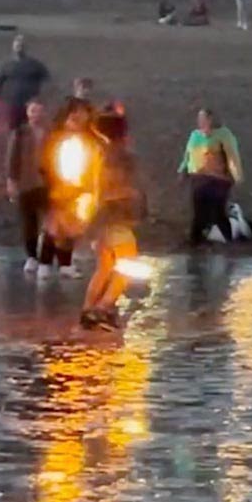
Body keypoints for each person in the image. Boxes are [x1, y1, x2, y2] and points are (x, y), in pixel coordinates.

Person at [80, 104, 143, 332]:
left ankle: (88, 311)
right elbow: (114, 188)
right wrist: (131, 194)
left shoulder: (100, 153)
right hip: (116, 217)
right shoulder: (119, 156)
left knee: (105, 266)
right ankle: (103, 309)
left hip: (102, 217)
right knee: (127, 264)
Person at [42, 98, 100, 281]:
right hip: (60, 187)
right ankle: (45, 262)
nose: (80, 118)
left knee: (71, 226)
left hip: (81, 187)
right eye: (75, 115)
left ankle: (65, 263)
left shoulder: (90, 139)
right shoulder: (57, 138)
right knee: (55, 226)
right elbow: (48, 164)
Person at [178, 108, 243, 247]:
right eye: (199, 119)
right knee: (198, 211)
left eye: (203, 119)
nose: (200, 122)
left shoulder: (223, 135)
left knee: (217, 211)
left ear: (211, 119)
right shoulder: (195, 135)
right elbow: (188, 155)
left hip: (218, 179)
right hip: (198, 178)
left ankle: (228, 240)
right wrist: (183, 170)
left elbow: (232, 156)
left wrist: (237, 175)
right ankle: (195, 240)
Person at [6, 98, 51, 275]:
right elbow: (11, 158)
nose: (36, 115)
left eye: (39, 111)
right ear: (27, 113)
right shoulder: (19, 133)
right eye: (33, 111)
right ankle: (32, 257)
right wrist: (11, 181)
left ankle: (46, 259)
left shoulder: (50, 132)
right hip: (26, 182)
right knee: (29, 222)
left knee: (50, 222)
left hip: (47, 183)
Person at [0, 35, 49, 128]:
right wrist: (1, 100)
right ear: (13, 47)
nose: (19, 48)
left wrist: (39, 97)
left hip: (31, 105)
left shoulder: (35, 65)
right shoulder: (7, 65)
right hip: (13, 104)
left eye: (21, 45)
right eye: (17, 45)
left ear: (25, 47)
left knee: (31, 130)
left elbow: (47, 81)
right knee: (13, 130)